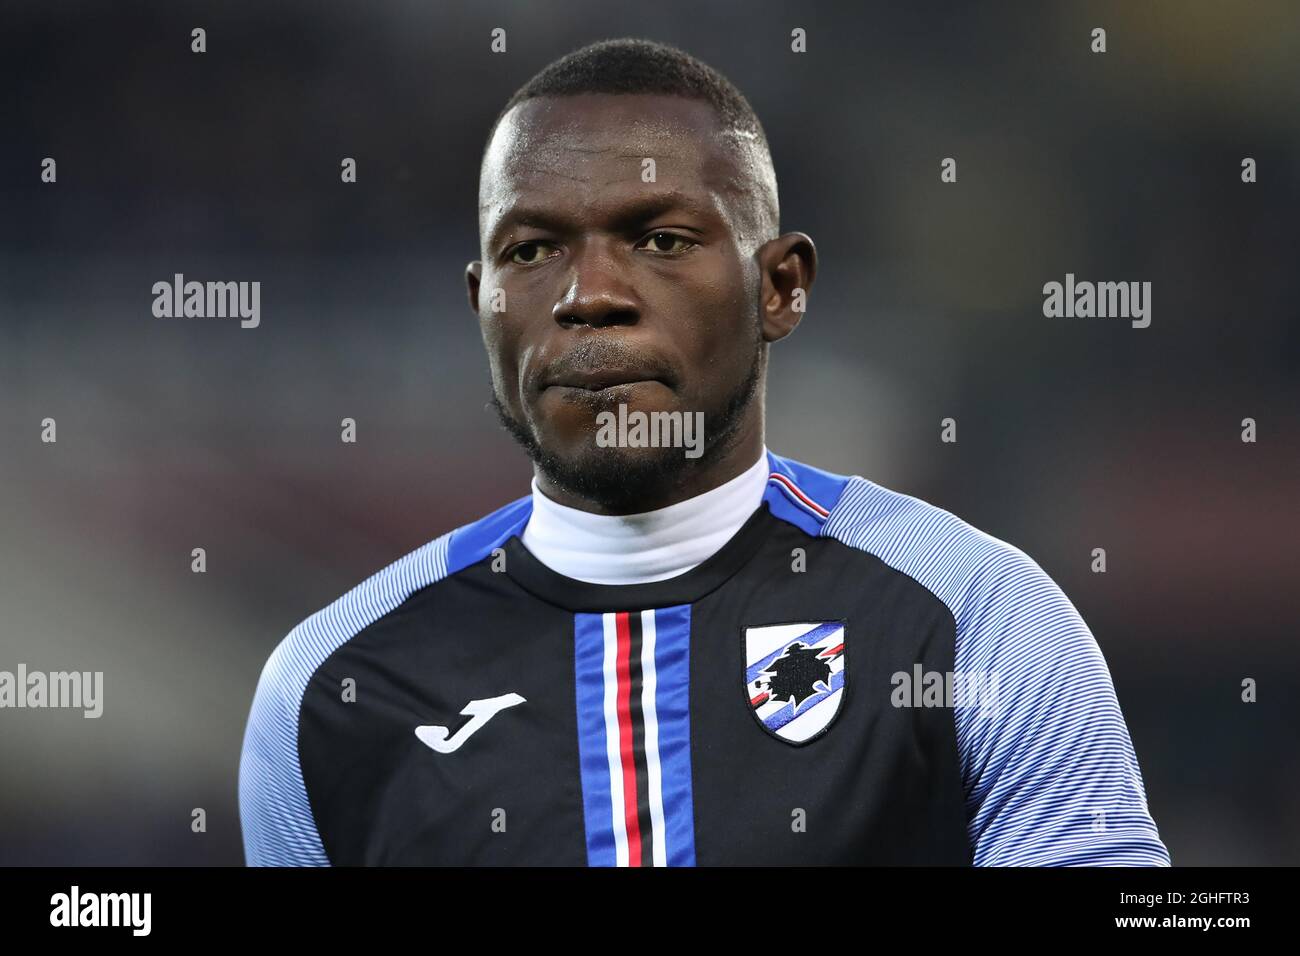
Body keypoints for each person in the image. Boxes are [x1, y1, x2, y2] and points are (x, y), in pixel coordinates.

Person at [239, 37, 1170, 866]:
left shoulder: (976, 616)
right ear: (479, 301)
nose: (589, 295)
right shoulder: (331, 689)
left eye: (661, 239)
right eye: (532, 252)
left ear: (781, 287)